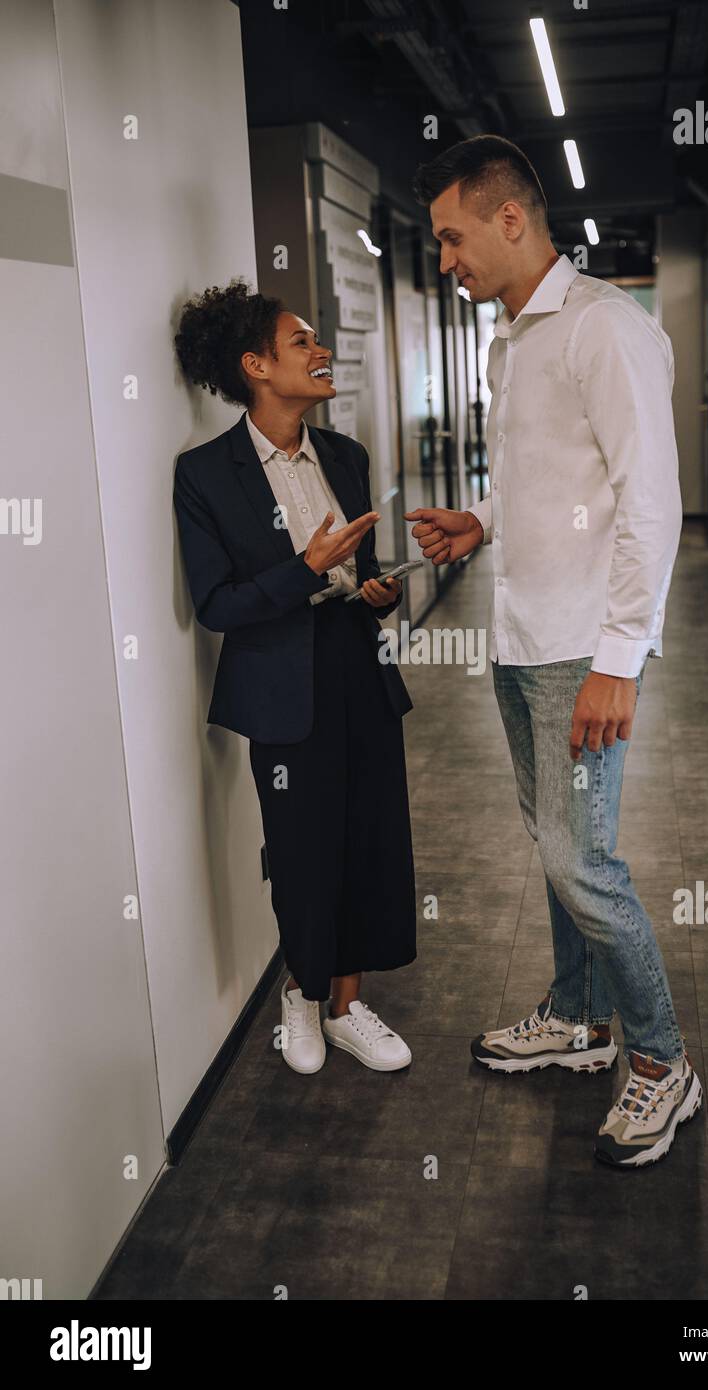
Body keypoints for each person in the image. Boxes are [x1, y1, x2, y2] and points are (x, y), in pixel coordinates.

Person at [406, 136, 702, 1168]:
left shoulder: (603, 330)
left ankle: (662, 1062)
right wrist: (485, 518)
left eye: (451, 238)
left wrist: (622, 654)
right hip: (523, 633)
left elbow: (648, 499)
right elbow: (545, 474)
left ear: (509, 218)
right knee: (553, 847)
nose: (446, 260)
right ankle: (580, 1020)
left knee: (584, 862)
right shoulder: (511, 341)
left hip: (583, 645)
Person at [172, 279, 416, 1076]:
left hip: (358, 666)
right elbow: (217, 605)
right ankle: (301, 991)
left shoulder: (344, 454)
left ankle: (347, 1004)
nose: (321, 353)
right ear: (256, 367)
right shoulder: (205, 474)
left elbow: (367, 571)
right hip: (283, 683)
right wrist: (304, 567)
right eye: (302, 342)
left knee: (370, 840)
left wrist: (381, 588)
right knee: (304, 848)